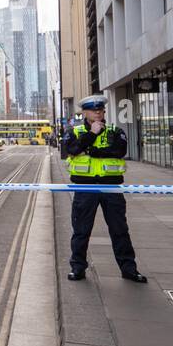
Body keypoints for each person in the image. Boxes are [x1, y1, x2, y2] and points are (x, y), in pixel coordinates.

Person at [64, 95, 146, 283]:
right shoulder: (73, 132)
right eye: (94, 110)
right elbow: (71, 150)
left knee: (119, 230)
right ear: (84, 113)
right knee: (81, 230)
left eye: (100, 110)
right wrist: (92, 134)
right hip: (85, 188)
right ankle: (77, 268)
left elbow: (119, 151)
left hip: (111, 187)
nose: (98, 112)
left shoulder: (115, 131)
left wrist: (92, 151)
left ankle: (129, 269)